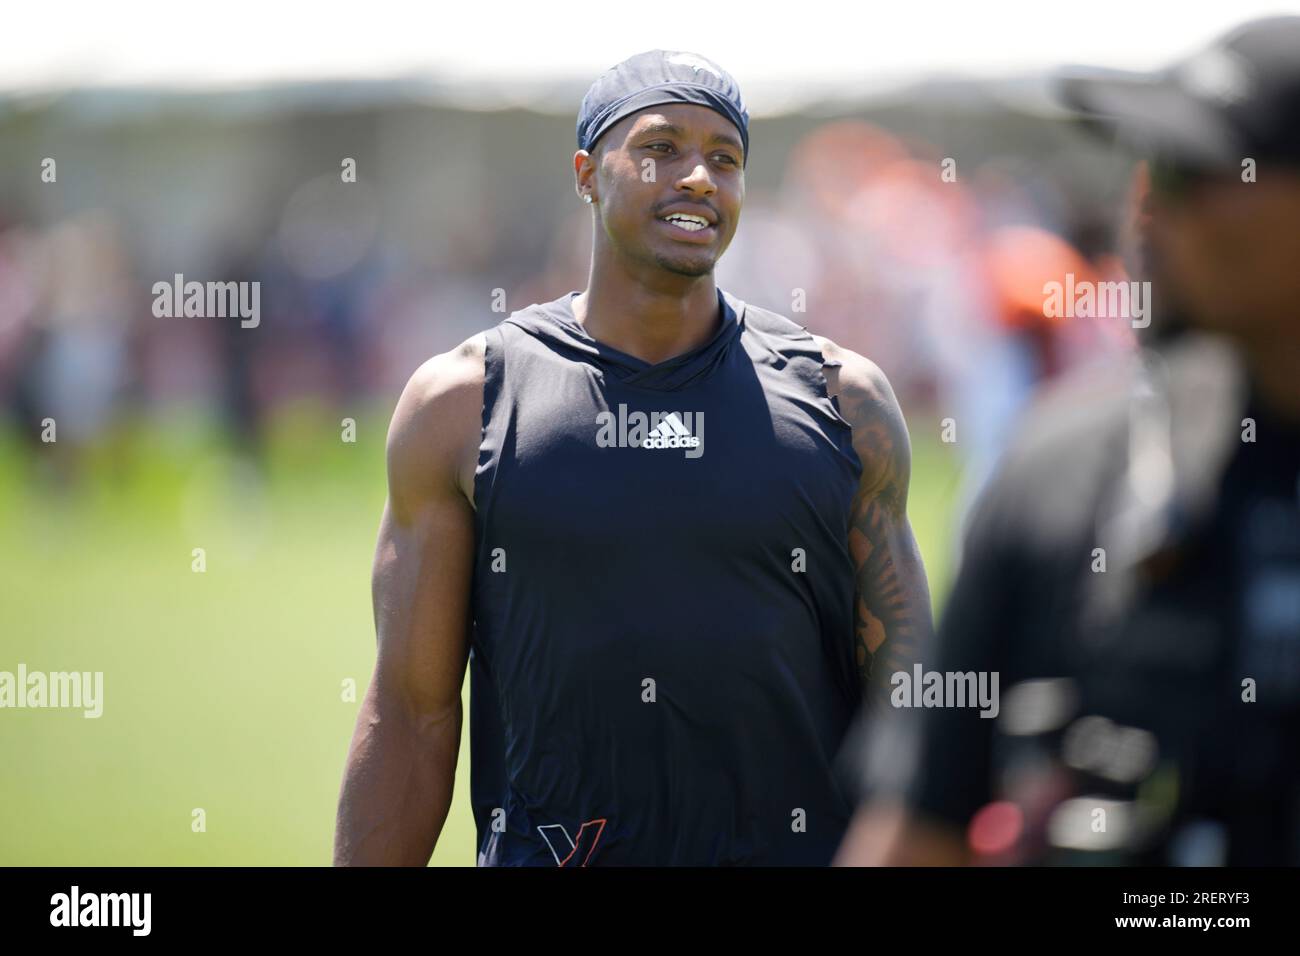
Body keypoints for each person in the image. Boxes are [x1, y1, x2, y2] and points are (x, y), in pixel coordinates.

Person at [333, 49, 932, 866]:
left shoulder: (843, 402)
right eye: (660, 148)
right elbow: (411, 714)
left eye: (726, 159)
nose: (697, 177)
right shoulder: (463, 403)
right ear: (587, 172)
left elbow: (911, 708)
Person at [835, 16, 1300, 866]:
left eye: (1192, 172)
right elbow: (918, 830)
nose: (1150, 206)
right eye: (1148, 167)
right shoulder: (1067, 470)